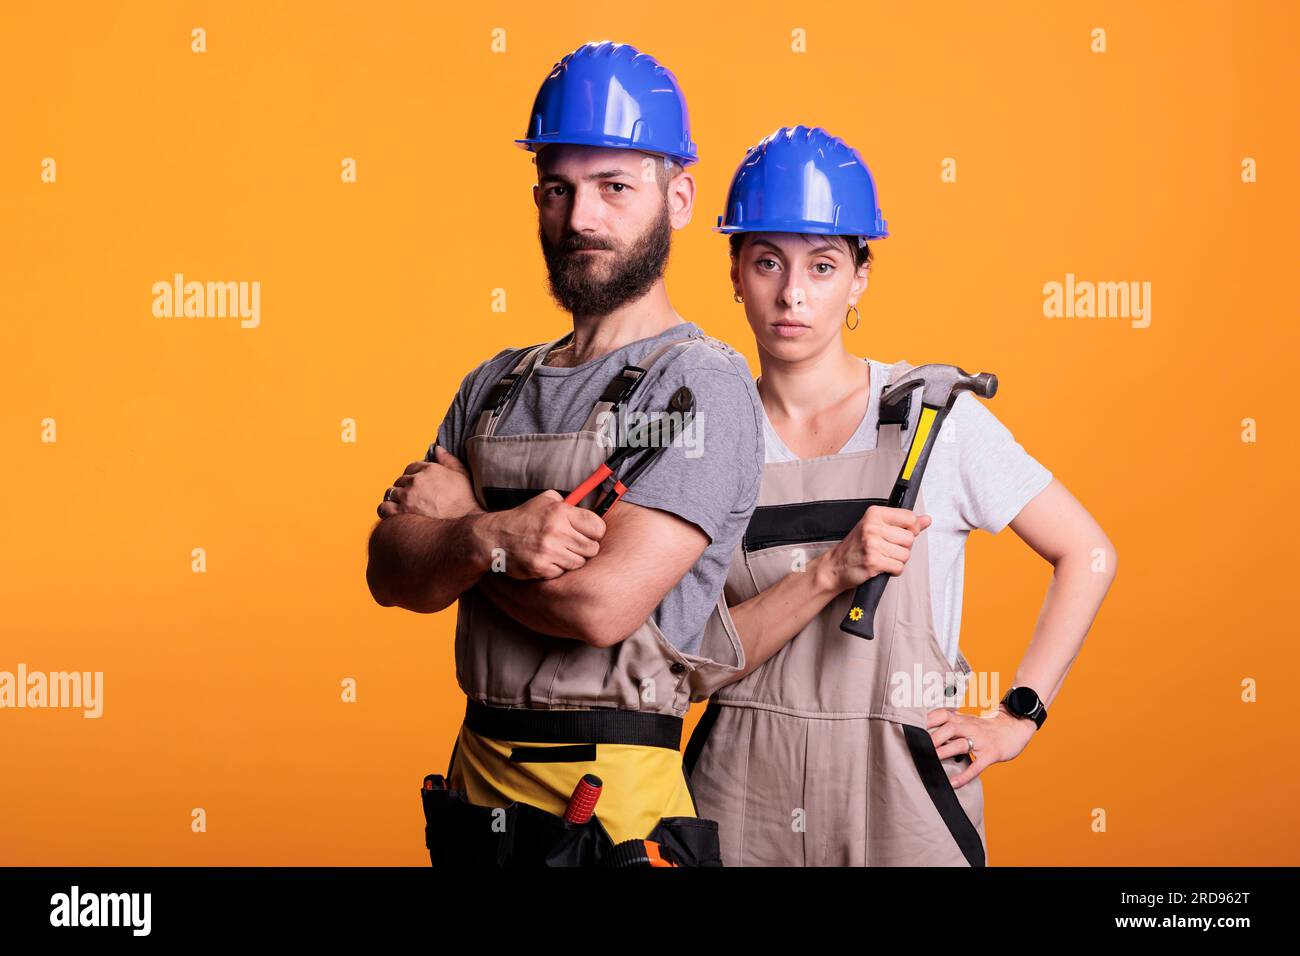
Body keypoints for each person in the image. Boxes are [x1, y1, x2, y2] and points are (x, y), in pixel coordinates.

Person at [365, 41, 764, 867]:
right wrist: (491, 542)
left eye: (615, 187)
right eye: (560, 189)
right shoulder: (495, 385)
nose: (582, 217)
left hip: (609, 807)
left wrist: (466, 529)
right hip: (474, 788)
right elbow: (390, 573)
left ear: (678, 197)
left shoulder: (693, 388)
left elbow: (600, 608)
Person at [684, 125, 1118, 866]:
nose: (793, 293)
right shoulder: (708, 435)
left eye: (822, 267)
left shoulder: (936, 420)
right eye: (767, 263)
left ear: (858, 279)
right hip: (737, 796)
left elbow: (1088, 551)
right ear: (733, 272)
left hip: (903, 791)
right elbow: (676, 653)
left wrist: (1018, 716)